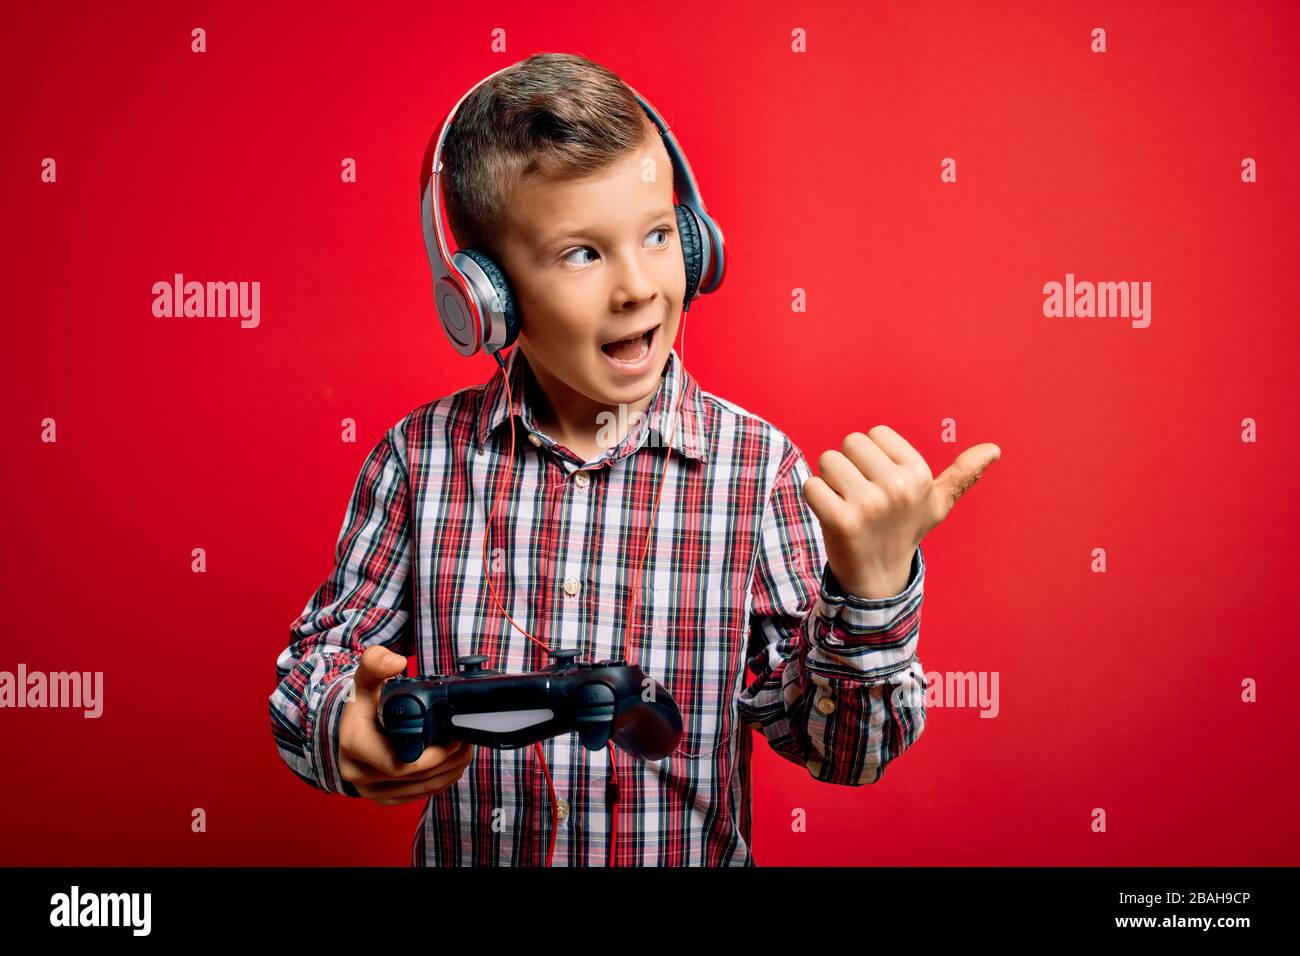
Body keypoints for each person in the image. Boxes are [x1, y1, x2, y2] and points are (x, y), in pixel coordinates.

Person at [268, 51, 1000, 866]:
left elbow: (845, 752)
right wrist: (341, 721)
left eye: (658, 236)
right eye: (582, 253)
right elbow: (311, 671)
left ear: (695, 239)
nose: (638, 287)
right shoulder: (418, 462)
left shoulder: (757, 473)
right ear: (484, 294)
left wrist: (872, 589)